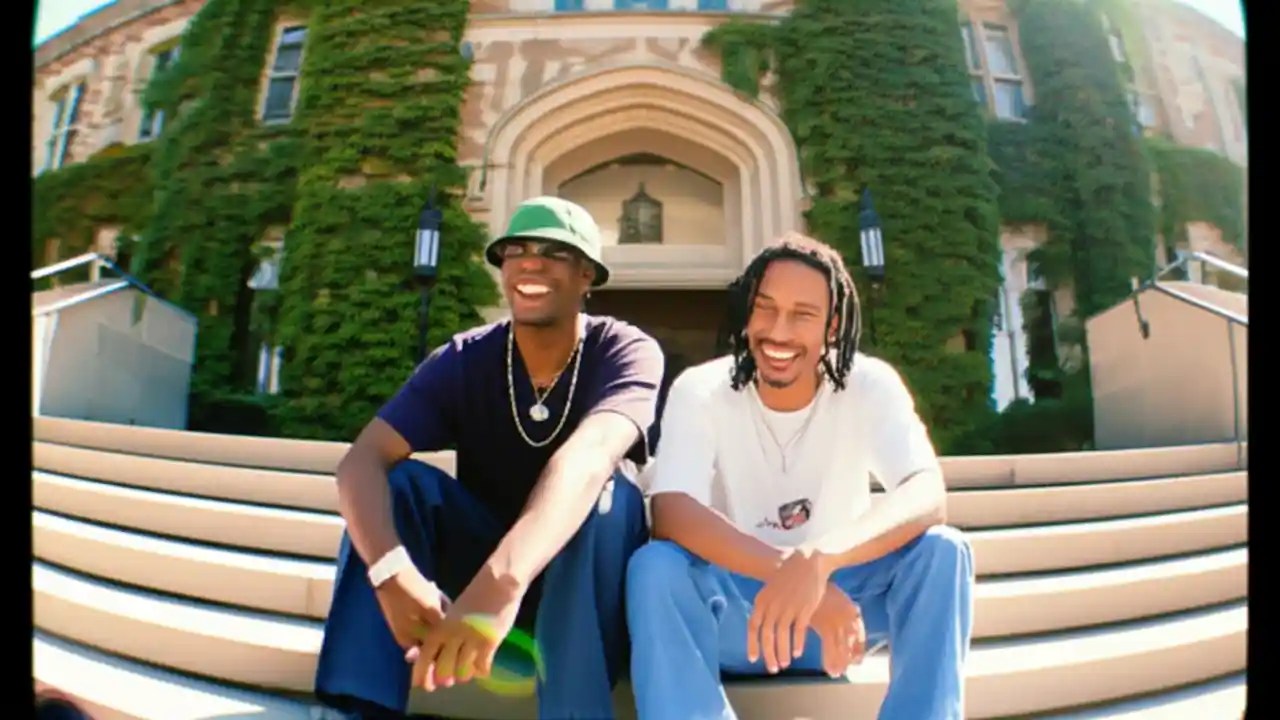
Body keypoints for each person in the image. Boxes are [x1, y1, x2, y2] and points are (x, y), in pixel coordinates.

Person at [314, 196, 664, 719]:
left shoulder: (624, 349)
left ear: (588, 274)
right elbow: (361, 460)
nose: (531, 262)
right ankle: (357, 706)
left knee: (608, 495)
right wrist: (390, 571)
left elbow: (588, 459)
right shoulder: (464, 358)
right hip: (486, 570)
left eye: (554, 251)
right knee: (401, 483)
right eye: (515, 250)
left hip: (587, 588)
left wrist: (501, 583)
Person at [626, 232, 974, 719]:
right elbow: (671, 511)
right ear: (747, 313)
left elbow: (926, 490)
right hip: (738, 621)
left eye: (803, 314)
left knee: (944, 550)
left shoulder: (868, 383)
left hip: (840, 624)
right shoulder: (702, 388)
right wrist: (789, 574)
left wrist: (819, 562)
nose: (779, 331)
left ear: (832, 325)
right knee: (655, 566)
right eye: (765, 308)